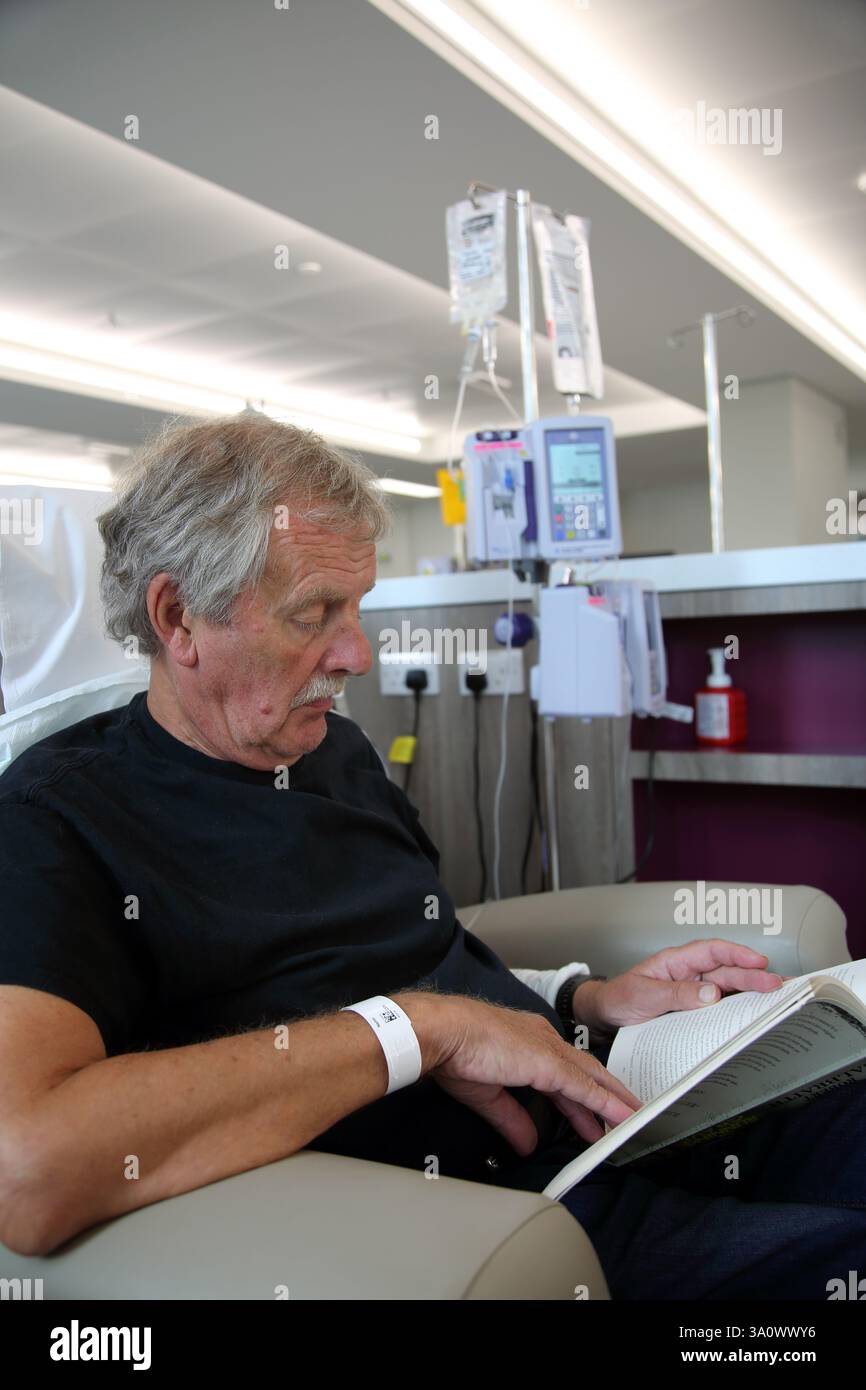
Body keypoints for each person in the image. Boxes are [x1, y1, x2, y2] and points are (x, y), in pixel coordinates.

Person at [1, 415, 863, 1298]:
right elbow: (27, 1167)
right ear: (179, 616)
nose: (358, 655)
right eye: (315, 615)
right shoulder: (60, 820)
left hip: (609, 1105)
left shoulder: (333, 752)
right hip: (509, 1214)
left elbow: (424, 954)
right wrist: (415, 1032)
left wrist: (583, 997)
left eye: (358, 607)